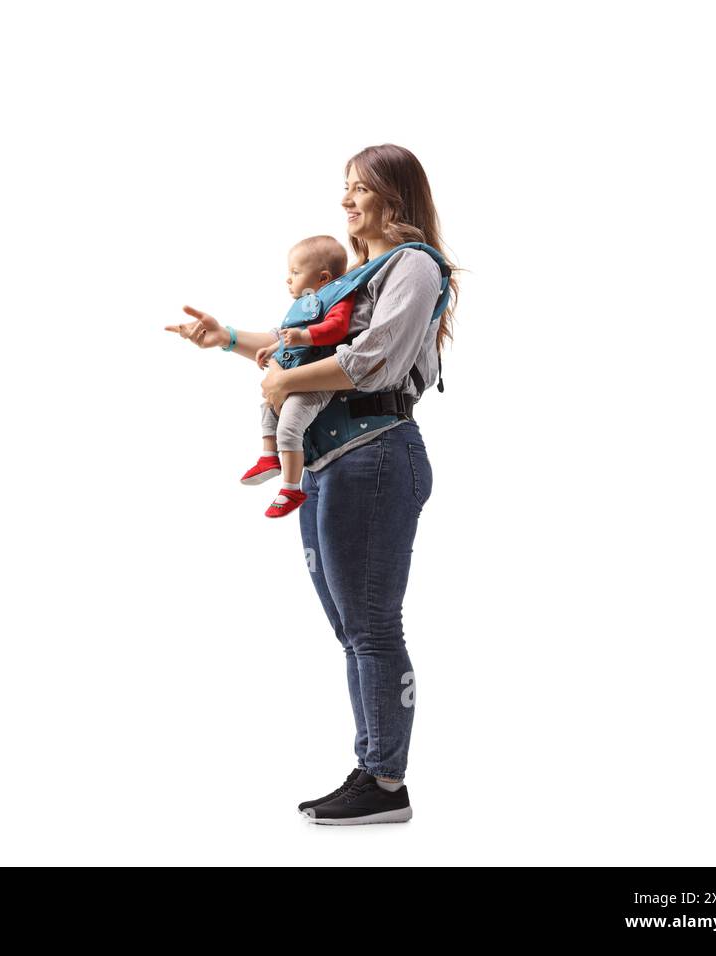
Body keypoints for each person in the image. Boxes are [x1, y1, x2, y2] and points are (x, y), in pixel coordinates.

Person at [167, 144, 458, 824]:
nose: (347, 201)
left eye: (359, 189)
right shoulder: (357, 277)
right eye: (345, 189)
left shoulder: (413, 266)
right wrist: (229, 338)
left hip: (376, 455)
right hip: (334, 463)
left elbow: (375, 361)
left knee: (373, 626)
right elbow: (297, 345)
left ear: (394, 195)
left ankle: (385, 782)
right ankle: (374, 768)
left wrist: (287, 380)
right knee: (353, 627)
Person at [241, 235, 358, 519]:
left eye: (295, 272)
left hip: (314, 382)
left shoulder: (339, 296)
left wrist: (302, 336)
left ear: (322, 277)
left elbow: (337, 329)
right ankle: (270, 457)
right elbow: (290, 338)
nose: (288, 279)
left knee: (289, 428)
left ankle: (291, 487)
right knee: (267, 409)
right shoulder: (307, 305)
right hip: (294, 376)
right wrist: (272, 348)